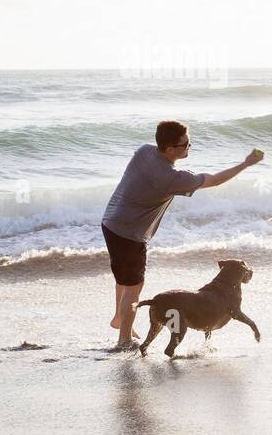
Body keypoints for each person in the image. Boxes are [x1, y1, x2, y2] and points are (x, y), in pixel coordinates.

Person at [101, 119, 262, 347]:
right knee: (134, 287)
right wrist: (246, 164)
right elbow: (214, 180)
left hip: (110, 222)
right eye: (186, 144)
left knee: (124, 278)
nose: (189, 147)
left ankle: (119, 319)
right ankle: (124, 339)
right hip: (130, 234)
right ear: (170, 149)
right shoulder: (172, 179)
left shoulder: (145, 151)